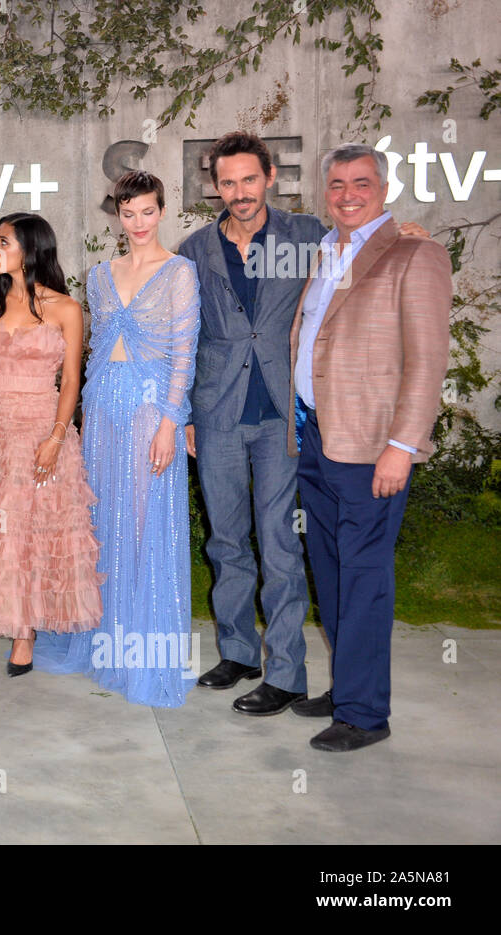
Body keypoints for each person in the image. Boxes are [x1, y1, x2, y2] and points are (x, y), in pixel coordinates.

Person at [179, 131, 432, 716]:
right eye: (227, 182)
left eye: (249, 179)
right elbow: (186, 335)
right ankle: (240, 651)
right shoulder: (195, 249)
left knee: (279, 544)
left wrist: (409, 234)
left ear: (270, 176)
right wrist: (187, 414)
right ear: (214, 186)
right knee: (224, 541)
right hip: (216, 413)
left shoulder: (308, 237)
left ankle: (287, 672)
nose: (239, 192)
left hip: (281, 418)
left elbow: (367, 254)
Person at [288, 143, 451, 752]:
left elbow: (426, 361)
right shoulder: (329, 249)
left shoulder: (417, 253)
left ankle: (364, 714)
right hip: (317, 439)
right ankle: (346, 686)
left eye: (360, 183)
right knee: (330, 573)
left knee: (363, 577)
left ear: (383, 187)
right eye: (336, 185)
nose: (347, 194)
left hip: (373, 450)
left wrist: (403, 445)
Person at [35, 171, 200, 707]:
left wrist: (171, 422)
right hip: (103, 408)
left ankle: (144, 654)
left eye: (147, 212)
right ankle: (101, 643)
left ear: (162, 211)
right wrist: (79, 418)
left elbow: (184, 353)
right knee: (103, 521)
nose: (138, 223)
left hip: (152, 410)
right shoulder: (100, 275)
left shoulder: (180, 273)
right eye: (128, 213)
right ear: (118, 215)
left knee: (146, 522)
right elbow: (90, 352)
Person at [0, 212, 104, 676]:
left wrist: (56, 435)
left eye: (3, 242)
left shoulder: (66, 309)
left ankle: (24, 629)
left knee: (27, 529)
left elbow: (71, 379)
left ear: (29, 250)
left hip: (41, 427)